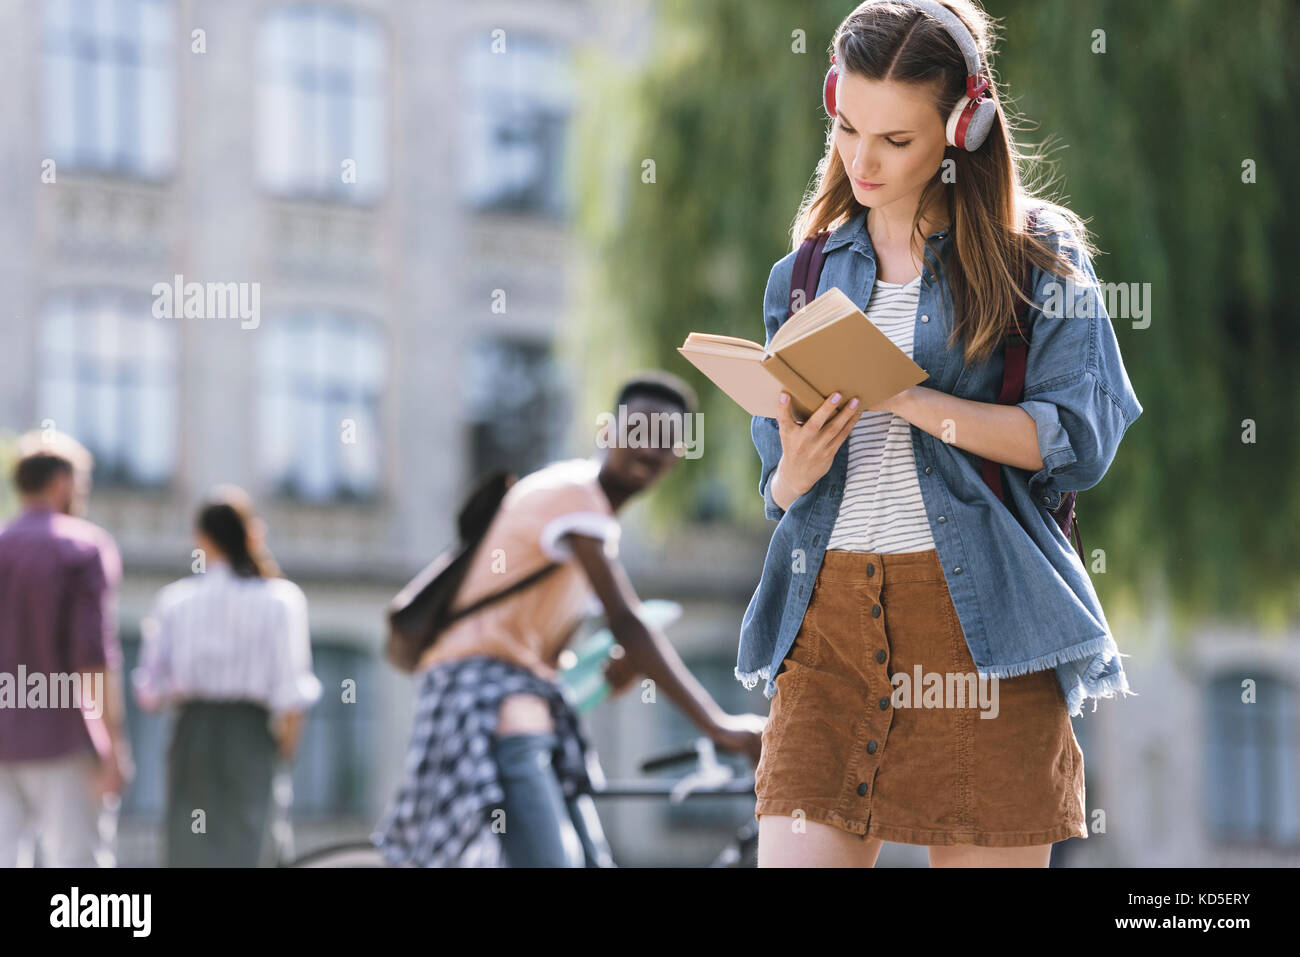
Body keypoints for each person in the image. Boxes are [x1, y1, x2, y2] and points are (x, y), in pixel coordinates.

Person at [741, 0, 1143, 867]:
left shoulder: (1036, 252)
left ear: (963, 126)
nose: (863, 159)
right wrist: (790, 476)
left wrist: (913, 401)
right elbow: (775, 477)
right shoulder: (803, 270)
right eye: (848, 128)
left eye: (896, 140)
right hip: (827, 628)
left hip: (983, 627)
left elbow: (1079, 435)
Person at [375, 372, 766, 867]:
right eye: (638, 432)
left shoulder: (592, 519)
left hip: (525, 698)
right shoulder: (575, 496)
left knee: (589, 858)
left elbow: (569, 640)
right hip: (482, 696)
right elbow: (628, 622)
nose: (650, 449)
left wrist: (611, 669)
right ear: (607, 433)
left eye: (668, 439)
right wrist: (720, 726)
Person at [133, 486, 322, 867]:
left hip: (191, 734)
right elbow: (292, 694)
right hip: (251, 735)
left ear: (202, 539)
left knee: (191, 844)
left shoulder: (175, 602)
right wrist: (282, 753)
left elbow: (149, 693)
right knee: (253, 839)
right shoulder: (281, 601)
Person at [0, 430, 133, 867]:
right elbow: (92, 656)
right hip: (63, 735)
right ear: (62, 483)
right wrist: (112, 745)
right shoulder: (81, 547)